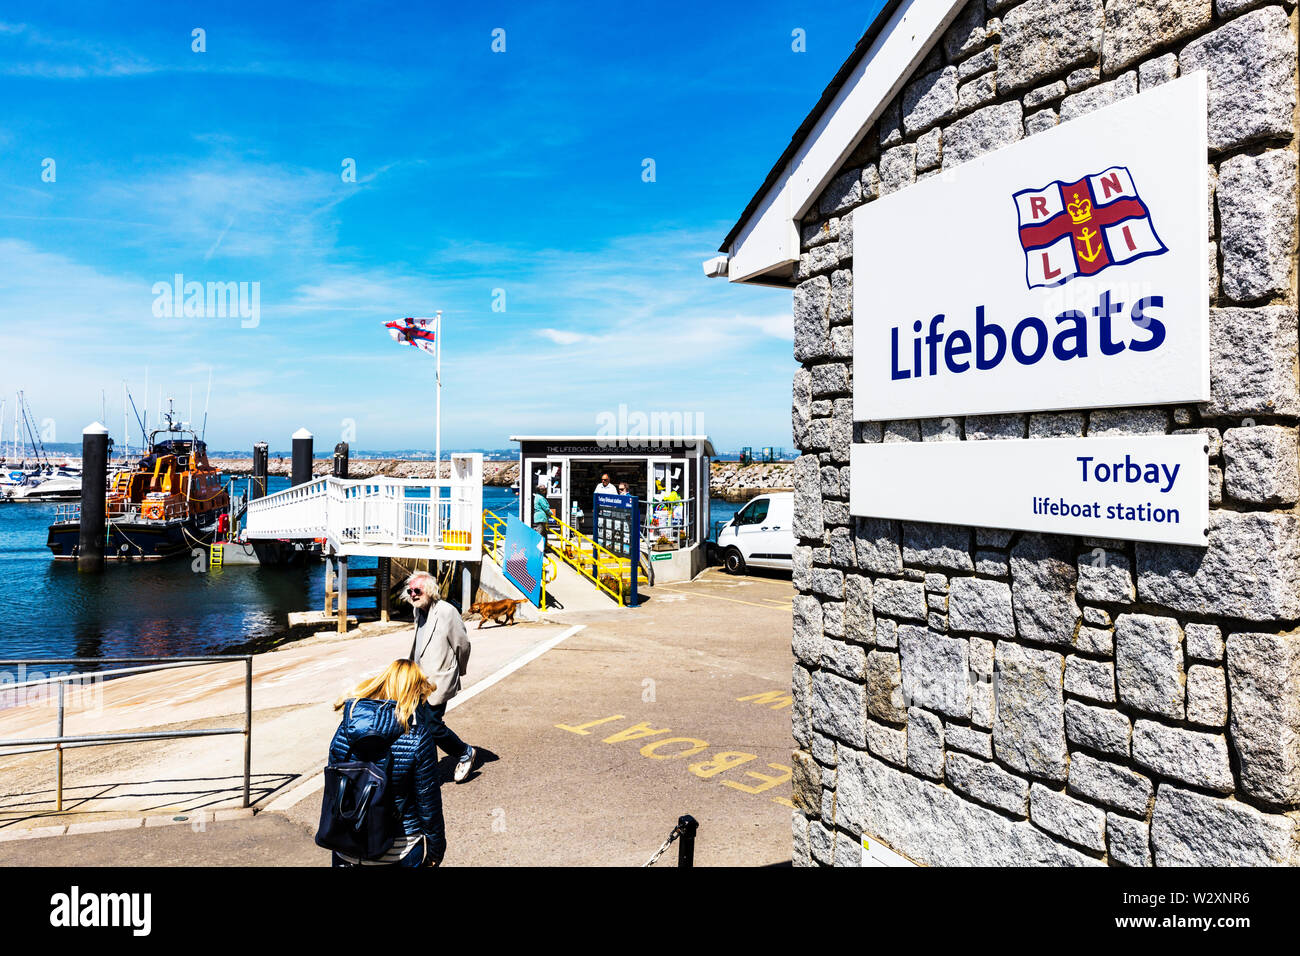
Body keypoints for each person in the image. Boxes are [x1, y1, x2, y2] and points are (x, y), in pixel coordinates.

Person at [328, 659, 445, 867]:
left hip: (347, 843)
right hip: (399, 847)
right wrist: (436, 850)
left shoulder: (345, 730)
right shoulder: (418, 738)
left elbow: (334, 788)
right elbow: (428, 803)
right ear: (413, 696)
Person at [404, 571, 477, 782]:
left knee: (433, 726)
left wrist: (457, 671)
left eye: (417, 590)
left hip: (438, 679)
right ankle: (427, 770)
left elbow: (462, 644)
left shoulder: (446, 611)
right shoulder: (418, 610)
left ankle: (464, 752)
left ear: (429, 590)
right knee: (421, 727)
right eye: (410, 591)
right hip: (418, 679)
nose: (413, 594)